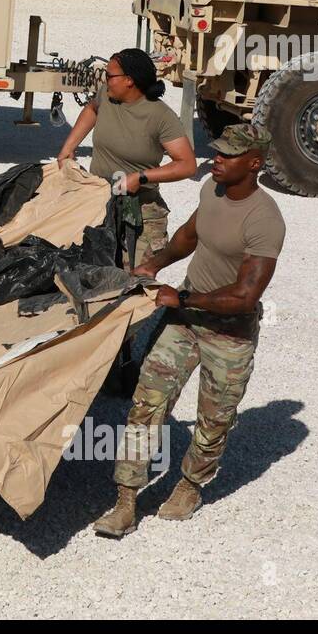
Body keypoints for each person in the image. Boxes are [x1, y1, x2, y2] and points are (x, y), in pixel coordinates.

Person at [94, 124, 285, 538]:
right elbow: (187, 236)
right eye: (217, 151)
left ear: (254, 164)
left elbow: (245, 296)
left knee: (214, 420)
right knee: (147, 403)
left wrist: (181, 300)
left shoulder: (265, 219)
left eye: (228, 155)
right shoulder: (212, 191)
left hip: (229, 333)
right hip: (186, 321)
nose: (216, 159)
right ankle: (126, 500)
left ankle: (189, 485)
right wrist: (155, 264)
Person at [57, 48, 197, 268]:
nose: (105, 80)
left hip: (140, 214)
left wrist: (139, 177)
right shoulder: (107, 95)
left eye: (110, 76)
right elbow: (92, 109)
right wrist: (68, 147)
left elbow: (187, 165)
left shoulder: (160, 116)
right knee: (95, 274)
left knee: (135, 282)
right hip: (101, 203)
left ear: (129, 81)